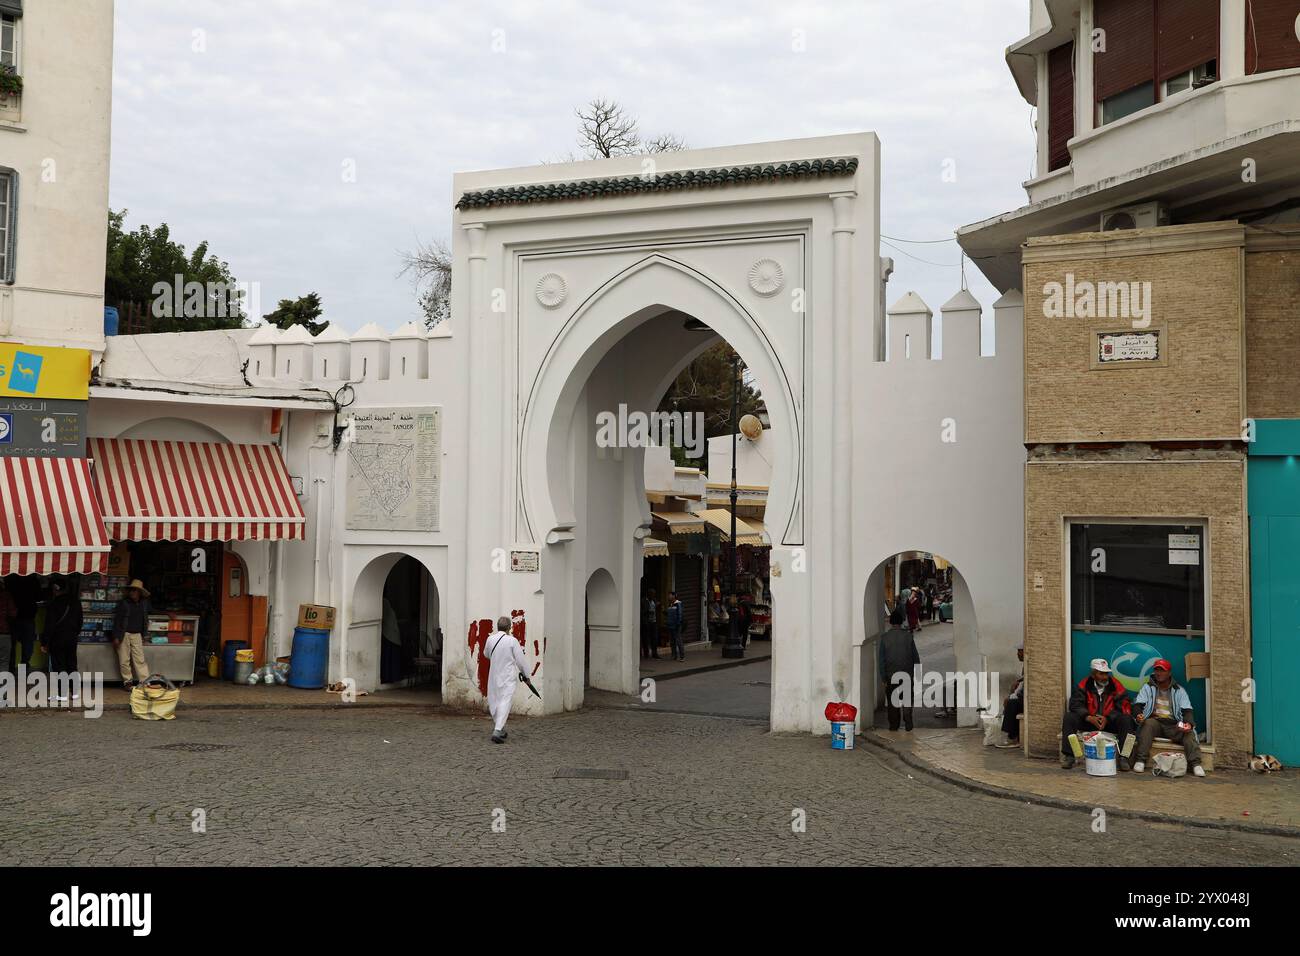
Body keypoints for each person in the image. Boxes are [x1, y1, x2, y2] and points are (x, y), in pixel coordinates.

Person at [1131, 659, 1205, 776]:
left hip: (1173, 725)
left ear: (1169, 673)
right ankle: (1140, 760)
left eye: (1162, 670)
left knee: (1189, 733)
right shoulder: (1148, 687)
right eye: (1156, 670)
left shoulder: (1179, 690)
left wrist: (1188, 724)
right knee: (1148, 724)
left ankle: (1196, 764)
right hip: (1156, 723)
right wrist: (1138, 715)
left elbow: (1187, 710)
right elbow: (1137, 705)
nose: (1159, 673)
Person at [1060, 658, 1136, 770]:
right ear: (1093, 673)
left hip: (1109, 722)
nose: (1105, 677)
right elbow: (1075, 704)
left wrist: (1108, 718)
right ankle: (1069, 756)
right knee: (1069, 717)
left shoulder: (1116, 685)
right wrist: (1088, 717)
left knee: (1127, 719)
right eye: (1101, 673)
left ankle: (1124, 757)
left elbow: (1125, 705)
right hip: (1090, 721)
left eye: (1106, 673)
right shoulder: (1084, 684)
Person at [485, 615, 527, 744]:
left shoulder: (490, 639)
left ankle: (500, 728)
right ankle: (497, 730)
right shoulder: (512, 641)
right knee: (505, 701)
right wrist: (526, 675)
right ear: (509, 627)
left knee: (494, 700)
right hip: (508, 676)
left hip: (494, 674)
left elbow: (486, 654)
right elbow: (520, 660)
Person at [878, 607, 921, 731]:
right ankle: (908, 721)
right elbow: (915, 656)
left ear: (891, 622)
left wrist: (883, 677)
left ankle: (894, 725)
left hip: (891, 676)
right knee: (907, 699)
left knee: (893, 702)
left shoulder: (885, 638)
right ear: (901, 621)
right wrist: (917, 674)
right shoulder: (908, 636)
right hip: (907, 674)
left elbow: (881, 660)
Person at [42, 579, 83, 702]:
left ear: (55, 589)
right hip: (72, 638)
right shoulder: (76, 602)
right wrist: (74, 633)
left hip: (57, 639)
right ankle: (75, 693)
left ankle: (62, 694)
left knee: (60, 666)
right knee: (72, 664)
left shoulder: (54, 604)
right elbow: (80, 622)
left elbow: (49, 625)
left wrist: (44, 642)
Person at [112, 579, 152, 690]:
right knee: (124, 660)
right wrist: (116, 637)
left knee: (140, 659)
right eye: (131, 590)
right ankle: (127, 682)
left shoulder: (144, 604)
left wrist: (168, 613)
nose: (132, 593)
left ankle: (144, 681)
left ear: (139, 592)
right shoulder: (124, 603)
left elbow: (153, 611)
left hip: (137, 635)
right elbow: (117, 620)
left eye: (134, 590)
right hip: (124, 634)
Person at [995, 645, 1025, 748]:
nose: (1017, 655)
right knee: (1010, 702)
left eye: (1019, 652)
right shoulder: (1025, 666)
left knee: (1012, 703)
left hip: (1026, 698)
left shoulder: (1028, 666)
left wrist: (1014, 695)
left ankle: (1012, 737)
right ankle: (1010, 735)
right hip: (1022, 695)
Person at [0, 578, 15, 675]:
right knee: (4, 662)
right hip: (4, 633)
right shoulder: (6, 596)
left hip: (4, 632)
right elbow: (13, 613)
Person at [666, 591, 685, 661]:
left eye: (670, 595)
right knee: (672, 642)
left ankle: (682, 656)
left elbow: (679, 615)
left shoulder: (678, 604)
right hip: (670, 626)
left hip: (676, 626)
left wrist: (678, 624)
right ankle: (674, 655)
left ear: (674, 596)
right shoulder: (670, 604)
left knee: (678, 641)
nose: (669, 597)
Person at [641, 588, 659, 660]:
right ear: (648, 594)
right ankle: (646, 654)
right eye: (652, 594)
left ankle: (655, 654)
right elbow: (641, 612)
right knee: (646, 639)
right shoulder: (643, 601)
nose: (653, 596)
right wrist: (648, 611)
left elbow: (655, 609)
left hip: (653, 622)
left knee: (654, 638)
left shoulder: (654, 600)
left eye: (654, 594)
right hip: (646, 622)